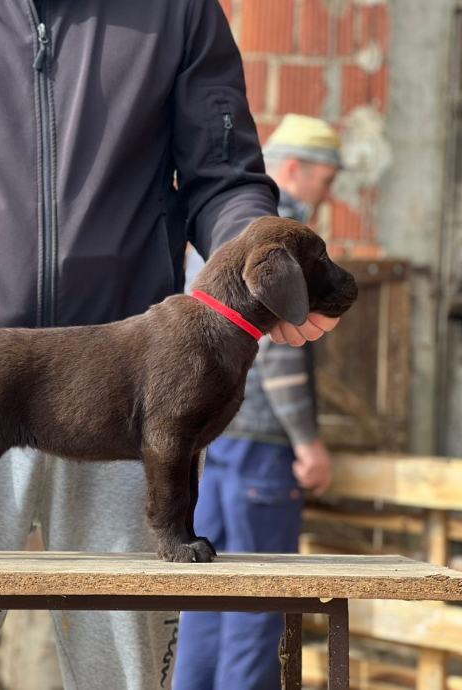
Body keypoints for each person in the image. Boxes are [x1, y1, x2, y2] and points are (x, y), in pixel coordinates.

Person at [0, 2, 343, 687]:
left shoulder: (179, 11)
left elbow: (224, 177)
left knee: (126, 675)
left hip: (133, 396)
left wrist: (261, 274)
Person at [174, 114, 343, 690]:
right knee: (259, 598)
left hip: (215, 437)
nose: (329, 193)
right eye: (327, 179)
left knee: (210, 590)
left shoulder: (223, 238)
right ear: (294, 169)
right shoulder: (285, 237)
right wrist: (307, 441)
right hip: (263, 447)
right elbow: (282, 351)